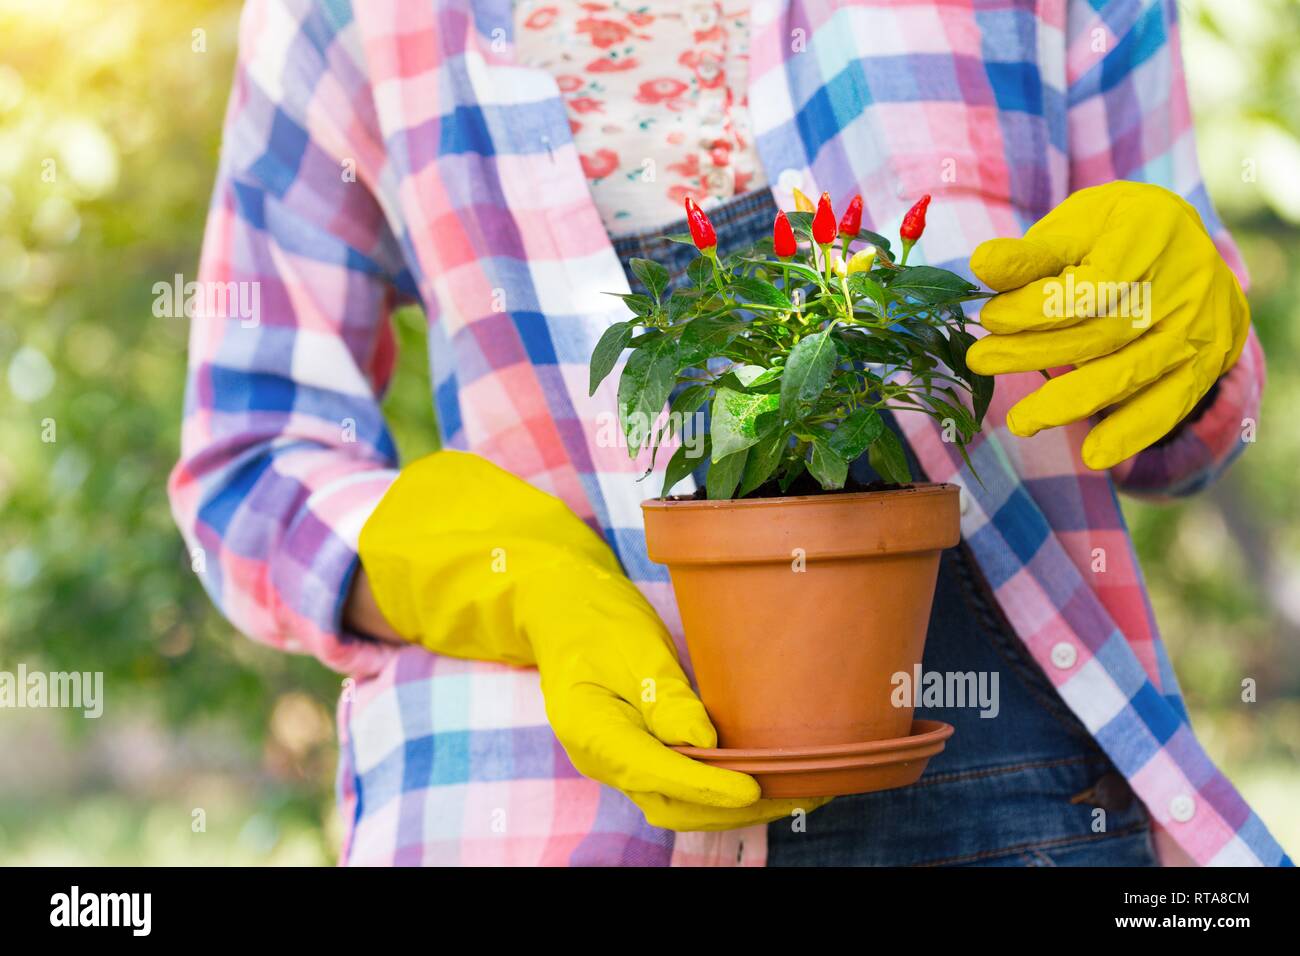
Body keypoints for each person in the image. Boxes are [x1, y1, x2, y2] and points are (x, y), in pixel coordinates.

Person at [169, 0, 1289, 866]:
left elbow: (1181, 440)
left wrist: (1183, 332)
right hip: (547, 803)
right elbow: (251, 455)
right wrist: (497, 576)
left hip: (1022, 777)